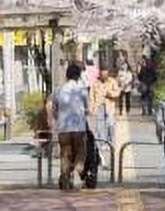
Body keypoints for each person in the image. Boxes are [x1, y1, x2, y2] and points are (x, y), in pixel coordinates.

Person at [50, 63, 89, 192]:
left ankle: (66, 179)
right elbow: (87, 108)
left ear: (67, 75)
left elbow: (54, 108)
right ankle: (76, 171)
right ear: (78, 76)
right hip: (79, 128)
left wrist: (57, 119)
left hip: (63, 128)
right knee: (80, 153)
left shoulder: (58, 90)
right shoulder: (82, 90)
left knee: (65, 155)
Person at [84, 66, 118, 188]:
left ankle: (110, 142)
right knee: (99, 127)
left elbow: (117, 92)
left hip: (109, 107)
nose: (104, 75)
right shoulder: (95, 83)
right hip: (98, 108)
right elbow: (91, 96)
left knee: (110, 125)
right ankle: (102, 144)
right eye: (102, 73)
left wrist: (109, 93)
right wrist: (92, 108)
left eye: (106, 73)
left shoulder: (112, 81)